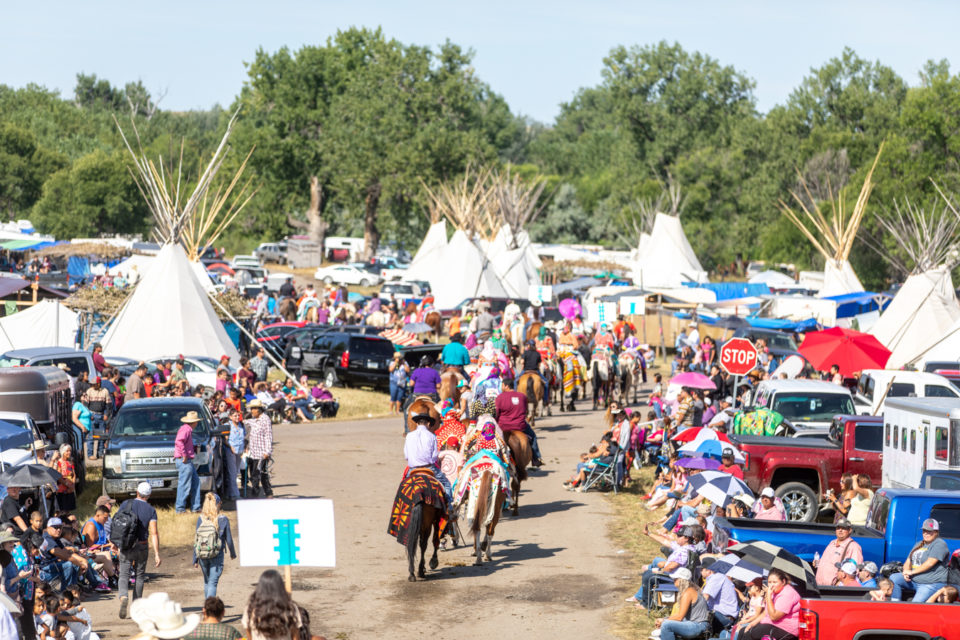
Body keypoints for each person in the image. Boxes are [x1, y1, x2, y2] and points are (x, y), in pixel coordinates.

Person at [117, 482, 161, 620]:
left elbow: (118, 525)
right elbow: (154, 533)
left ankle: (123, 596)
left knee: (123, 574)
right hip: (142, 545)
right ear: (149, 495)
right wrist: (157, 554)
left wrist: (117, 544)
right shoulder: (150, 510)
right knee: (139, 576)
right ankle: (136, 607)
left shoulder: (125, 504)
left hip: (126, 545)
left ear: (137, 492)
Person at [889, 518, 951, 602]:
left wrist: (911, 572)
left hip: (931, 583)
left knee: (916, 605)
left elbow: (930, 563)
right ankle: (895, 604)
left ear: (936, 532)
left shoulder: (939, 544)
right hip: (915, 581)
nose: (926, 533)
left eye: (929, 531)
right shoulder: (919, 544)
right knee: (894, 578)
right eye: (924, 530)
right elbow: (908, 561)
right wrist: (905, 572)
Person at [193, 493, 236, 598]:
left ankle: (207, 608)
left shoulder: (201, 518)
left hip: (203, 554)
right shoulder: (222, 519)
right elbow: (229, 539)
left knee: (207, 581)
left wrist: (195, 559)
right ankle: (209, 609)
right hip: (217, 554)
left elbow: (197, 539)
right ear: (217, 504)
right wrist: (232, 553)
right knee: (213, 583)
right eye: (220, 503)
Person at [740, 568, 801, 640]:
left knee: (750, 635)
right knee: (742, 631)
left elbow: (774, 617)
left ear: (783, 582)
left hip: (786, 628)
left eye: (774, 582)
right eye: (769, 582)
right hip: (772, 624)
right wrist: (752, 623)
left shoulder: (787, 593)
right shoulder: (775, 592)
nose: (771, 585)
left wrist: (768, 596)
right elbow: (765, 612)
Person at [495, 376, 543, 466]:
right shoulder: (523, 396)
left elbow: (496, 413)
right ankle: (536, 458)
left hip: (503, 426)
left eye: (502, 385)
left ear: (506, 386)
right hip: (520, 425)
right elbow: (525, 411)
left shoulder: (500, 397)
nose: (501, 388)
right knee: (533, 436)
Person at [242, 569, 303, 640]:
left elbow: (249, 633)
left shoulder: (251, 608)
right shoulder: (290, 607)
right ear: (280, 586)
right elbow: (295, 635)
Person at [656, 567, 710, 640]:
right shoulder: (693, 589)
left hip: (697, 625)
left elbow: (680, 617)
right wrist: (665, 619)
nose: (673, 581)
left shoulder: (688, 592)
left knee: (666, 625)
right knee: (666, 624)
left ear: (682, 580)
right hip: (696, 623)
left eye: (675, 579)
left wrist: (663, 620)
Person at [814, 518, 863, 586]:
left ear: (850, 530)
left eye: (843, 528)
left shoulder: (853, 546)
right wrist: (818, 563)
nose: (840, 530)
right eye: (838, 528)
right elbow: (828, 563)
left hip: (835, 589)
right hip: (820, 586)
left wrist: (840, 584)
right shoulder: (832, 543)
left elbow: (855, 570)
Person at [37, 517, 82, 589]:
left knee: (74, 564)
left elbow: (65, 552)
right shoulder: (46, 538)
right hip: (45, 571)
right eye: (56, 527)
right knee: (69, 564)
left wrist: (81, 561)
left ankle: (74, 591)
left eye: (60, 528)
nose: (59, 530)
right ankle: (65, 593)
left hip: (54, 566)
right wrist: (80, 562)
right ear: (48, 528)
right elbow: (63, 555)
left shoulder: (55, 538)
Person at [174, 411, 204, 514]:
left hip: (186, 460)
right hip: (184, 460)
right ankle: (180, 509)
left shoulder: (186, 429)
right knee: (185, 484)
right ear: (194, 422)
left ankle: (195, 507)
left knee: (195, 482)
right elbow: (179, 441)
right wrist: (184, 454)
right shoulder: (186, 430)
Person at [700, 557, 739, 633]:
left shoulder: (716, 577)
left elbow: (705, 598)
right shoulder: (718, 577)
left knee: (697, 619)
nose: (700, 572)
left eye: (702, 569)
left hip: (725, 618)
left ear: (709, 570)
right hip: (723, 615)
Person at [244, 400, 274, 499]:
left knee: (259, 475)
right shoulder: (253, 419)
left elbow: (268, 436)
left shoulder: (265, 420)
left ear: (258, 409)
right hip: (253, 452)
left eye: (253, 409)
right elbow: (247, 422)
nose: (251, 411)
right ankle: (266, 492)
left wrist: (267, 451)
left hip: (261, 453)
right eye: (251, 409)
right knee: (255, 474)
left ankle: (257, 494)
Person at [82, 377, 111, 459]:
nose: (94, 386)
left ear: (99, 383)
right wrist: (88, 415)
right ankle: (90, 454)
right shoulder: (89, 391)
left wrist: (106, 414)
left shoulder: (105, 391)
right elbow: (85, 404)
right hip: (92, 415)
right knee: (91, 436)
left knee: (101, 436)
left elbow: (109, 405)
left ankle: (100, 453)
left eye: (95, 384)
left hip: (101, 415)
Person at [520, 340, 550, 406]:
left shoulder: (525, 353)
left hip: (526, 370)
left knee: (515, 381)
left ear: (529, 345)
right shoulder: (537, 353)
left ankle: (516, 398)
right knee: (546, 383)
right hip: (535, 371)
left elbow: (522, 362)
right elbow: (539, 365)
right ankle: (545, 400)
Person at [225, 409, 245, 500]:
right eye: (235, 416)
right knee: (232, 473)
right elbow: (225, 439)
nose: (237, 417)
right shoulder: (228, 425)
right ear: (230, 417)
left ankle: (230, 493)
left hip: (239, 451)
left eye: (238, 415)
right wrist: (230, 446)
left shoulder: (241, 425)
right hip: (231, 452)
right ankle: (235, 494)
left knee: (236, 472)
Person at [54, 444, 78, 511]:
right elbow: (58, 476)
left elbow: (74, 474)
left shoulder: (71, 462)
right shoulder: (59, 462)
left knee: (69, 509)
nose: (69, 452)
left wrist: (72, 485)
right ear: (63, 452)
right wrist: (67, 484)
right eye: (67, 451)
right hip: (62, 487)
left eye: (70, 451)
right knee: (63, 509)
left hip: (70, 486)